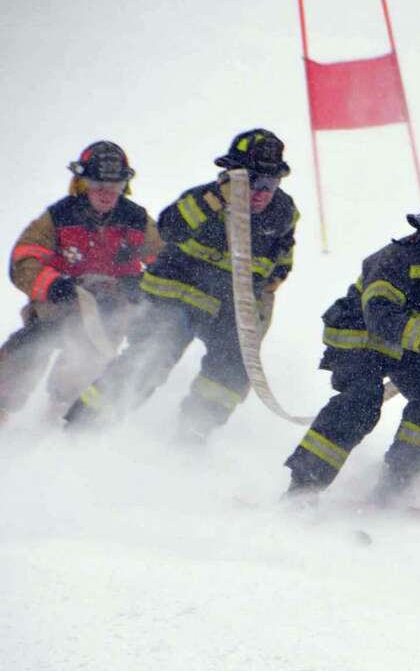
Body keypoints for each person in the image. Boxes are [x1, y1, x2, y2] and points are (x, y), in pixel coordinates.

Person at [62, 129, 298, 440]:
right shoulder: (203, 200)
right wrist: (214, 203)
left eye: (270, 184)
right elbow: (168, 227)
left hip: (227, 307)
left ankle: (193, 433)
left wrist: (258, 310)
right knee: (151, 356)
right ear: (229, 177)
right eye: (251, 181)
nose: (260, 192)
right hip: (173, 299)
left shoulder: (283, 213)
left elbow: (279, 265)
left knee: (233, 368)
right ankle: (83, 425)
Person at [282, 184, 420, 505]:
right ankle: (303, 486)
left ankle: (401, 483)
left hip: (410, 349)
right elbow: (380, 316)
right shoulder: (396, 259)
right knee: (362, 400)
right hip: (361, 340)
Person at [0, 141, 162, 423]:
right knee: (26, 348)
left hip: (111, 308)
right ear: (82, 182)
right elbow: (23, 259)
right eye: (98, 183)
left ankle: (64, 413)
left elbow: (166, 262)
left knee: (88, 356)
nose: (106, 193)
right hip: (60, 302)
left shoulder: (136, 220)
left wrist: (140, 283)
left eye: (115, 185)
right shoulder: (59, 217)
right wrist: (54, 286)